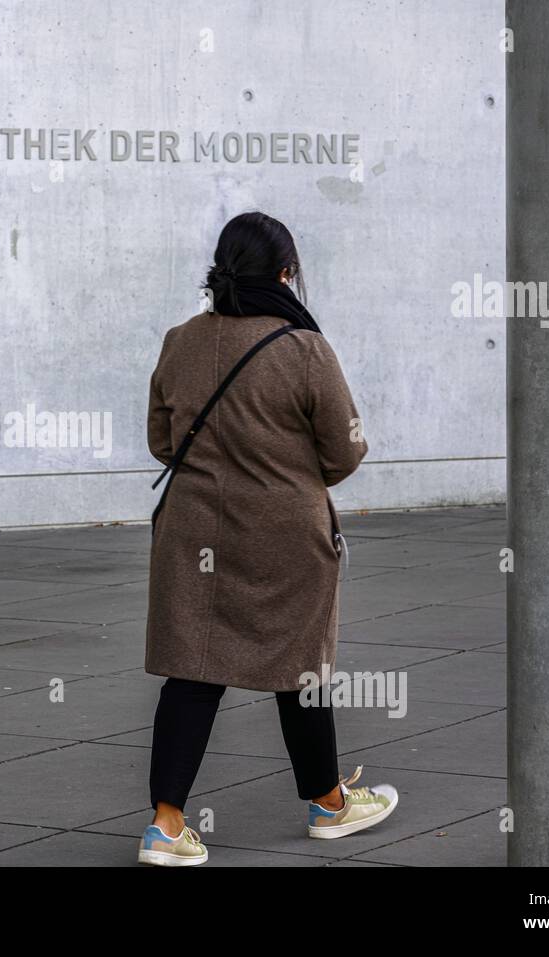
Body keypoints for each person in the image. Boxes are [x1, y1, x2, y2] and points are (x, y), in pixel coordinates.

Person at [138, 211, 396, 867]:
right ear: (284, 274)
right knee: (299, 666)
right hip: (284, 536)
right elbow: (345, 451)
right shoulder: (305, 349)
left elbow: (162, 442)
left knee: (193, 669)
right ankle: (329, 804)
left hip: (193, 533)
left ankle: (166, 826)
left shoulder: (180, 341)